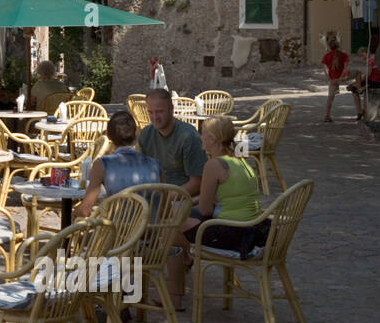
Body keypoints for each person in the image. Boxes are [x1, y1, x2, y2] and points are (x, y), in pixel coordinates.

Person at [164, 115, 265, 310]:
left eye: (202, 134)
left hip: (233, 233)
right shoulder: (241, 160)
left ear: (212, 139)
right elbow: (219, 199)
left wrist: (184, 204)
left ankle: (174, 296)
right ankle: (184, 263)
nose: (200, 138)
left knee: (169, 228)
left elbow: (205, 209)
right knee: (177, 215)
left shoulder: (213, 165)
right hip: (253, 229)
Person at [77, 112, 162, 218]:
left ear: (108, 135)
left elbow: (85, 210)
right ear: (135, 134)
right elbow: (165, 210)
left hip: (118, 232)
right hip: (152, 231)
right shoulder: (155, 165)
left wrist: (74, 213)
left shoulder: (102, 164)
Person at [137, 87, 206, 197]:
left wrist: (164, 200)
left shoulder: (188, 136)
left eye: (159, 112)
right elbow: (142, 173)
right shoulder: (145, 134)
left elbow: (197, 183)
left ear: (171, 109)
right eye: (150, 112)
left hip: (183, 200)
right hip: (155, 196)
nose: (155, 117)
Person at [346, 37, 380, 120]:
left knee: (353, 86)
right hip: (377, 81)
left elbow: (368, 74)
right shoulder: (374, 59)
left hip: (374, 82)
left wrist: (360, 80)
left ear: (366, 52)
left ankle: (359, 111)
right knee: (353, 87)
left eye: (362, 55)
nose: (362, 58)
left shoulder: (370, 61)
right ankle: (359, 88)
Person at [322, 33, 351, 122]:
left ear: (329, 47)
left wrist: (330, 79)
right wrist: (341, 78)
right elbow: (346, 67)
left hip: (333, 79)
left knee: (330, 98)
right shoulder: (344, 55)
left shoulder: (326, 56)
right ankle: (359, 111)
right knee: (357, 73)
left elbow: (325, 69)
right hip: (344, 78)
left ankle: (327, 115)